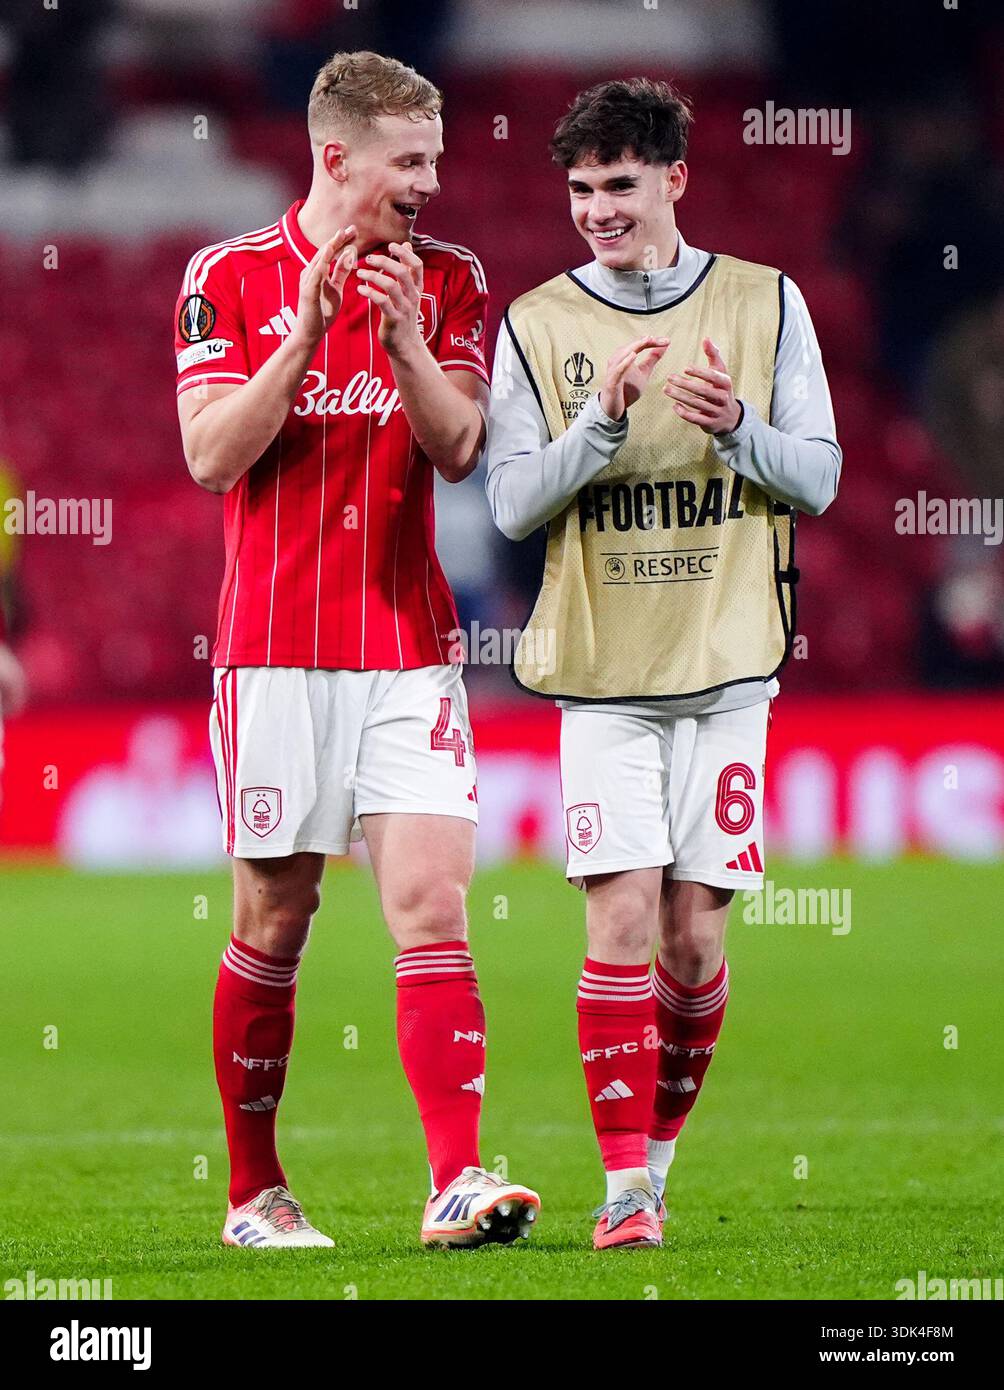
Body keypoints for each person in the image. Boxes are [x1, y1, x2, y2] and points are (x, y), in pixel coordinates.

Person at [175, 50, 539, 1250]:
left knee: (432, 903)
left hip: (407, 642)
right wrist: (304, 339)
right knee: (277, 915)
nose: (432, 181)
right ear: (338, 158)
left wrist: (403, 350)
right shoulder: (225, 276)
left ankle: (453, 1178)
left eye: (434, 157)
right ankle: (253, 1192)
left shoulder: (449, 279)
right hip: (274, 648)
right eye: (411, 161)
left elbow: (458, 450)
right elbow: (212, 457)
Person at [485, 78, 841, 1250]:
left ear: (675, 179)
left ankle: (662, 1159)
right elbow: (507, 502)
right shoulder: (538, 324)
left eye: (619, 185)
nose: (596, 209)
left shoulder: (763, 303)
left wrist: (737, 423)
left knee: (694, 944)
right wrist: (600, 427)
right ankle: (623, 1187)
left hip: (731, 674)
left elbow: (822, 476)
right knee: (622, 921)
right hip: (600, 680)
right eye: (580, 189)